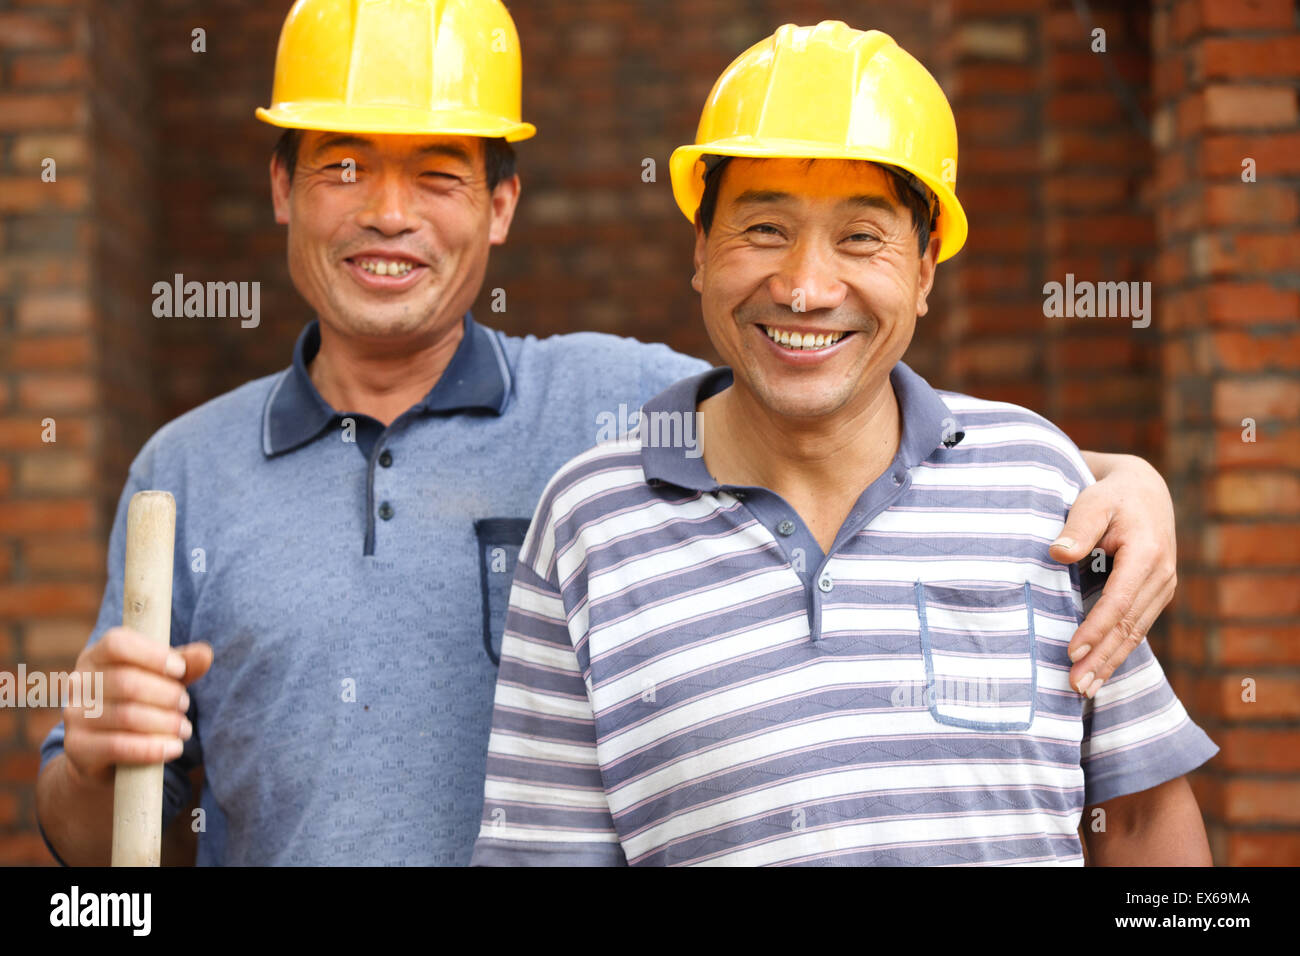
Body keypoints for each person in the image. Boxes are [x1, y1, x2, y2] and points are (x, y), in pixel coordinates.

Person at [38, 2, 1184, 866]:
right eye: (342, 166)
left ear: (499, 206)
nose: (387, 212)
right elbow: (104, 862)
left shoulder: (610, 406)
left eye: (437, 172)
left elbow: (827, 398)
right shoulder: (180, 475)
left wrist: (1116, 483)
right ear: (281, 188)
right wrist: (96, 747)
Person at [469, 22, 1216, 866]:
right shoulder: (589, 525)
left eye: (861, 238)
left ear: (927, 267)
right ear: (700, 252)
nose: (805, 287)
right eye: (763, 230)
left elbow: (1146, 824)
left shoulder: (1043, 489)